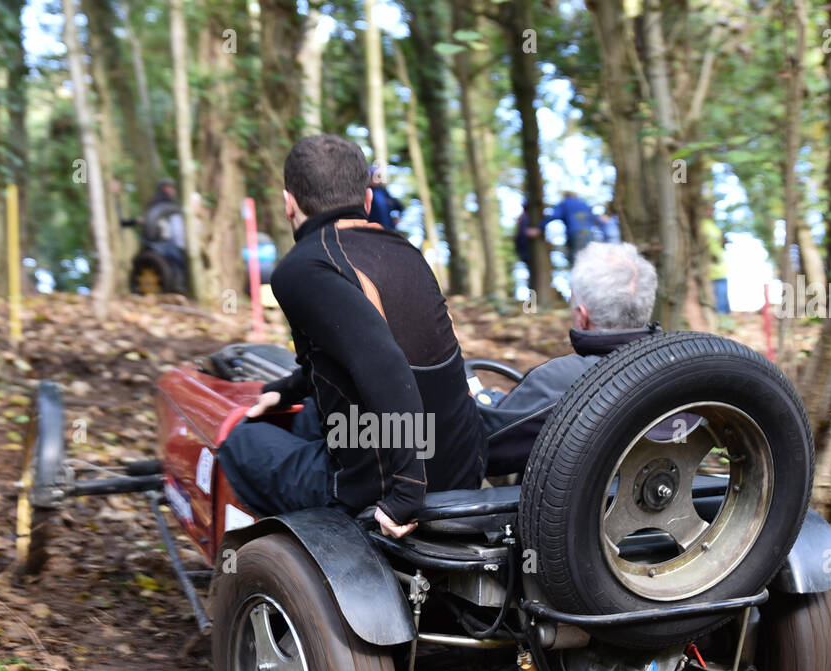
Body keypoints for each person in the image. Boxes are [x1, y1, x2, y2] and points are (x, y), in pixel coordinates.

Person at [218, 135, 487, 538]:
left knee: (241, 442)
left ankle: (277, 553)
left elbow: (385, 364)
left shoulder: (300, 269)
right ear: (365, 199)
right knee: (311, 416)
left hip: (384, 484)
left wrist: (408, 493)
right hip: (463, 461)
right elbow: (347, 354)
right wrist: (288, 390)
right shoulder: (404, 249)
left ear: (288, 202)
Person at [479, 242, 662, 475]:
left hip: (585, 510)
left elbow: (484, 449)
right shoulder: (689, 366)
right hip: (680, 504)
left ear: (582, 317)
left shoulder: (561, 381)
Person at [542, 190, 597, 265]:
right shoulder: (584, 204)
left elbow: (555, 215)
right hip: (589, 234)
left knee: (576, 259)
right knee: (588, 259)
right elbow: (592, 218)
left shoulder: (565, 203)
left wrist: (540, 227)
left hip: (575, 234)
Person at [700, 213, 730, 314]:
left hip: (720, 270)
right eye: (708, 209)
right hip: (711, 272)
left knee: (723, 302)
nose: (712, 211)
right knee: (718, 303)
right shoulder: (703, 226)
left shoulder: (714, 227)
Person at [365, 165, 405, 230]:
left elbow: (399, 207)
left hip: (388, 229)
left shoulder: (385, 193)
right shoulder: (364, 193)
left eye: (378, 176)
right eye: (374, 176)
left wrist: (396, 217)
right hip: (371, 230)